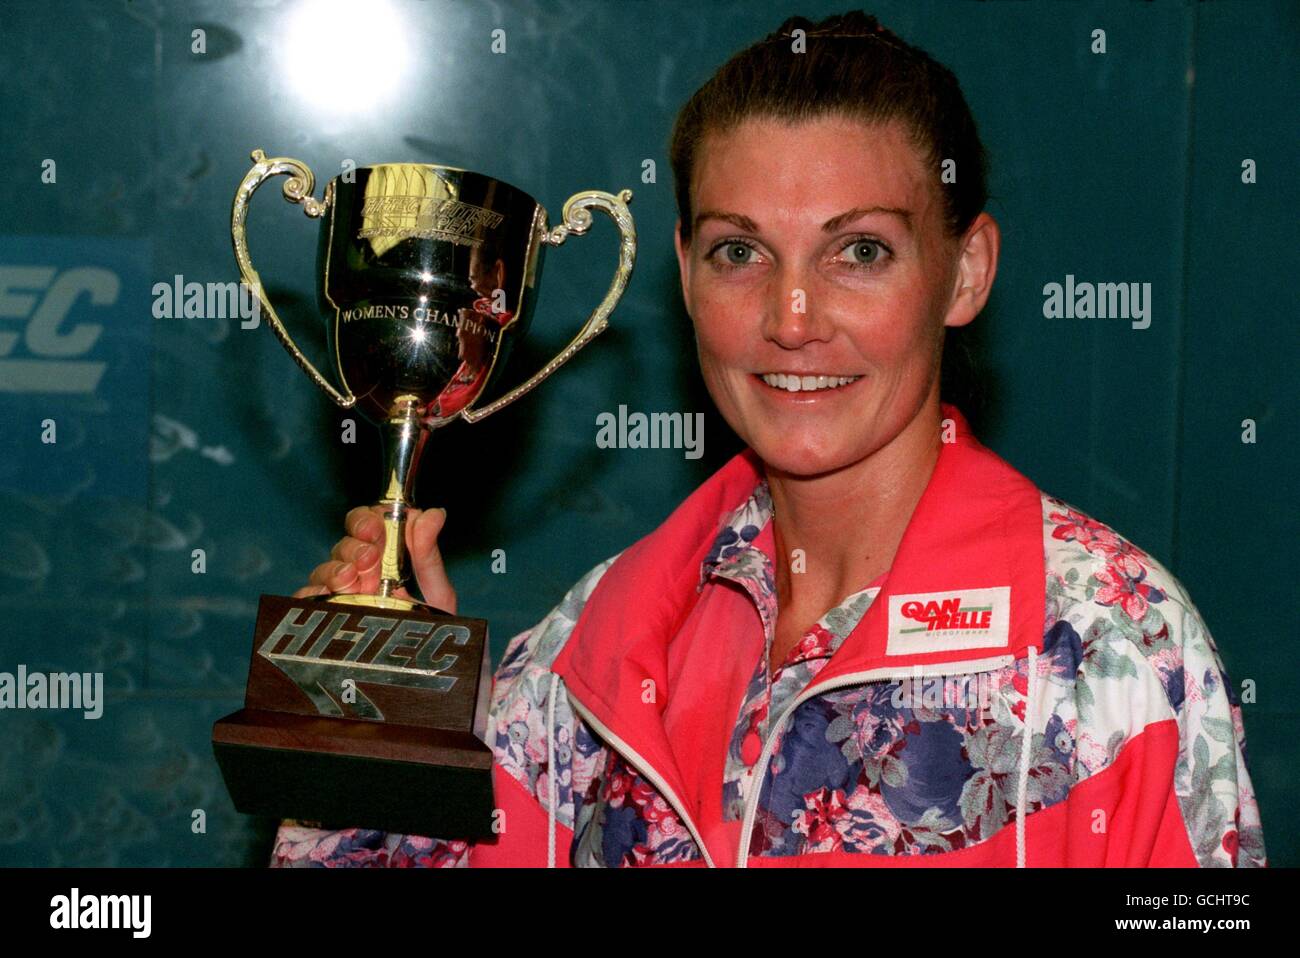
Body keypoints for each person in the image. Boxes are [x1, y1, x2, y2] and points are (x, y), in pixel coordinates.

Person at [270, 11, 1266, 867]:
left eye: (859, 251)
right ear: (683, 270)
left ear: (965, 272)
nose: (791, 317)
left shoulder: (1110, 644)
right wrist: (380, 717)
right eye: (739, 251)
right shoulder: (598, 644)